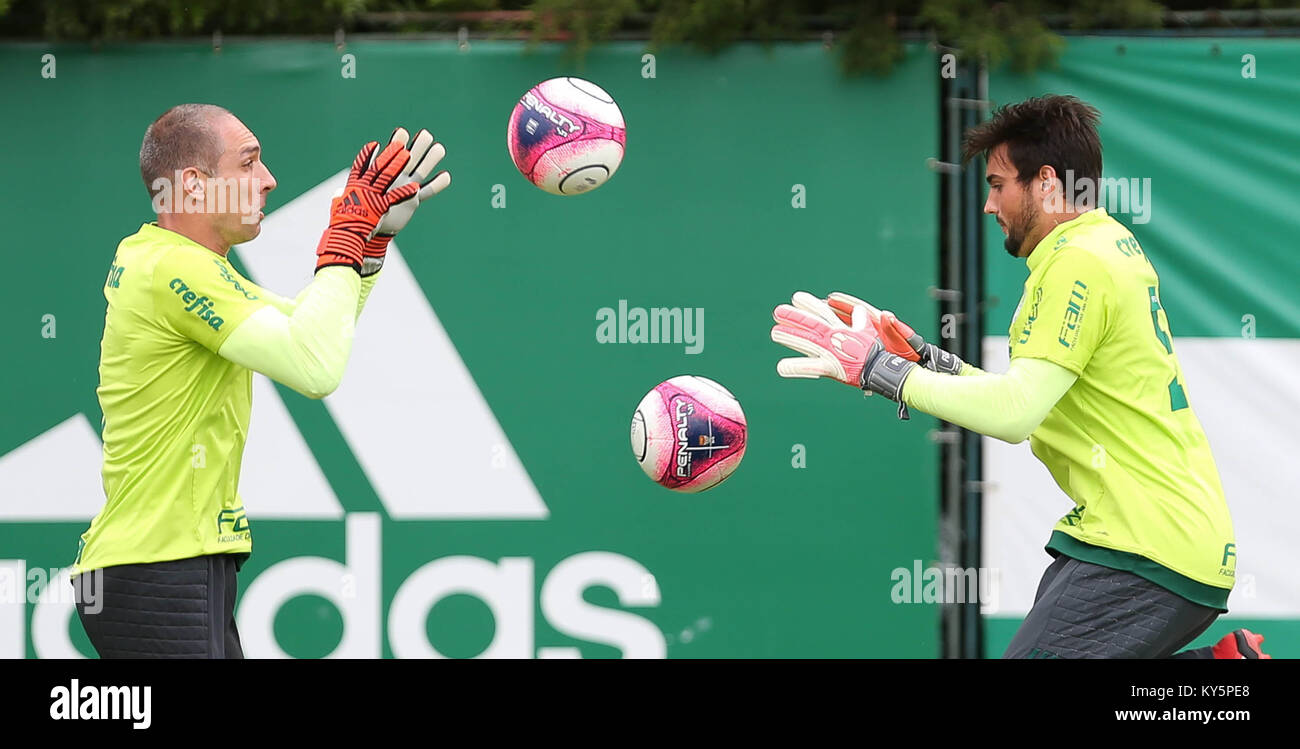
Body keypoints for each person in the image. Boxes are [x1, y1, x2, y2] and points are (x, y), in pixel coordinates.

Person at [769, 94, 1269, 659]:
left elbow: (1015, 414)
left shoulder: (1078, 262)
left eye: (999, 184)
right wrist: (929, 363)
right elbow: (1040, 397)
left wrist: (877, 371)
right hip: (1153, 541)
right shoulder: (1102, 243)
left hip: (1145, 547)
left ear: (1047, 183)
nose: (988, 204)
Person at [70, 103, 450, 658]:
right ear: (195, 187)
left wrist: (366, 246)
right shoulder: (172, 269)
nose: (269, 179)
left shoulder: (183, 263)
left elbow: (308, 328)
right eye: (248, 164)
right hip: (156, 573)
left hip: (167, 569)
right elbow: (314, 367)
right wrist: (345, 232)